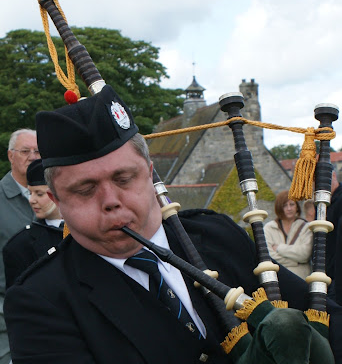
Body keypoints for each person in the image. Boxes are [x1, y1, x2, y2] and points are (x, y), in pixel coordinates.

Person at [3, 86, 342, 363]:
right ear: (58, 200)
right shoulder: (39, 300)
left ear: (150, 175)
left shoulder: (217, 235)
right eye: (85, 189)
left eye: (124, 178)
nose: (110, 200)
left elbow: (327, 320)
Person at [0, 128, 39, 364]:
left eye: (38, 151)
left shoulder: (61, 198)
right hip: (7, 323)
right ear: (10, 156)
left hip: (50, 316)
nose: (33, 157)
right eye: (25, 151)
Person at [3, 159, 63, 289]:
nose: (32, 200)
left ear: (59, 192)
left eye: (39, 194)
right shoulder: (20, 245)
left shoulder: (87, 231)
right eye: (30, 193)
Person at [264, 190, 313, 280]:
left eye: (292, 204)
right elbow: (269, 257)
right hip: (277, 279)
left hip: (300, 279)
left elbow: (304, 254)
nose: (289, 208)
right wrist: (295, 262)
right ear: (279, 208)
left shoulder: (306, 227)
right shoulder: (269, 228)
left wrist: (279, 248)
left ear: (297, 207)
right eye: (285, 205)